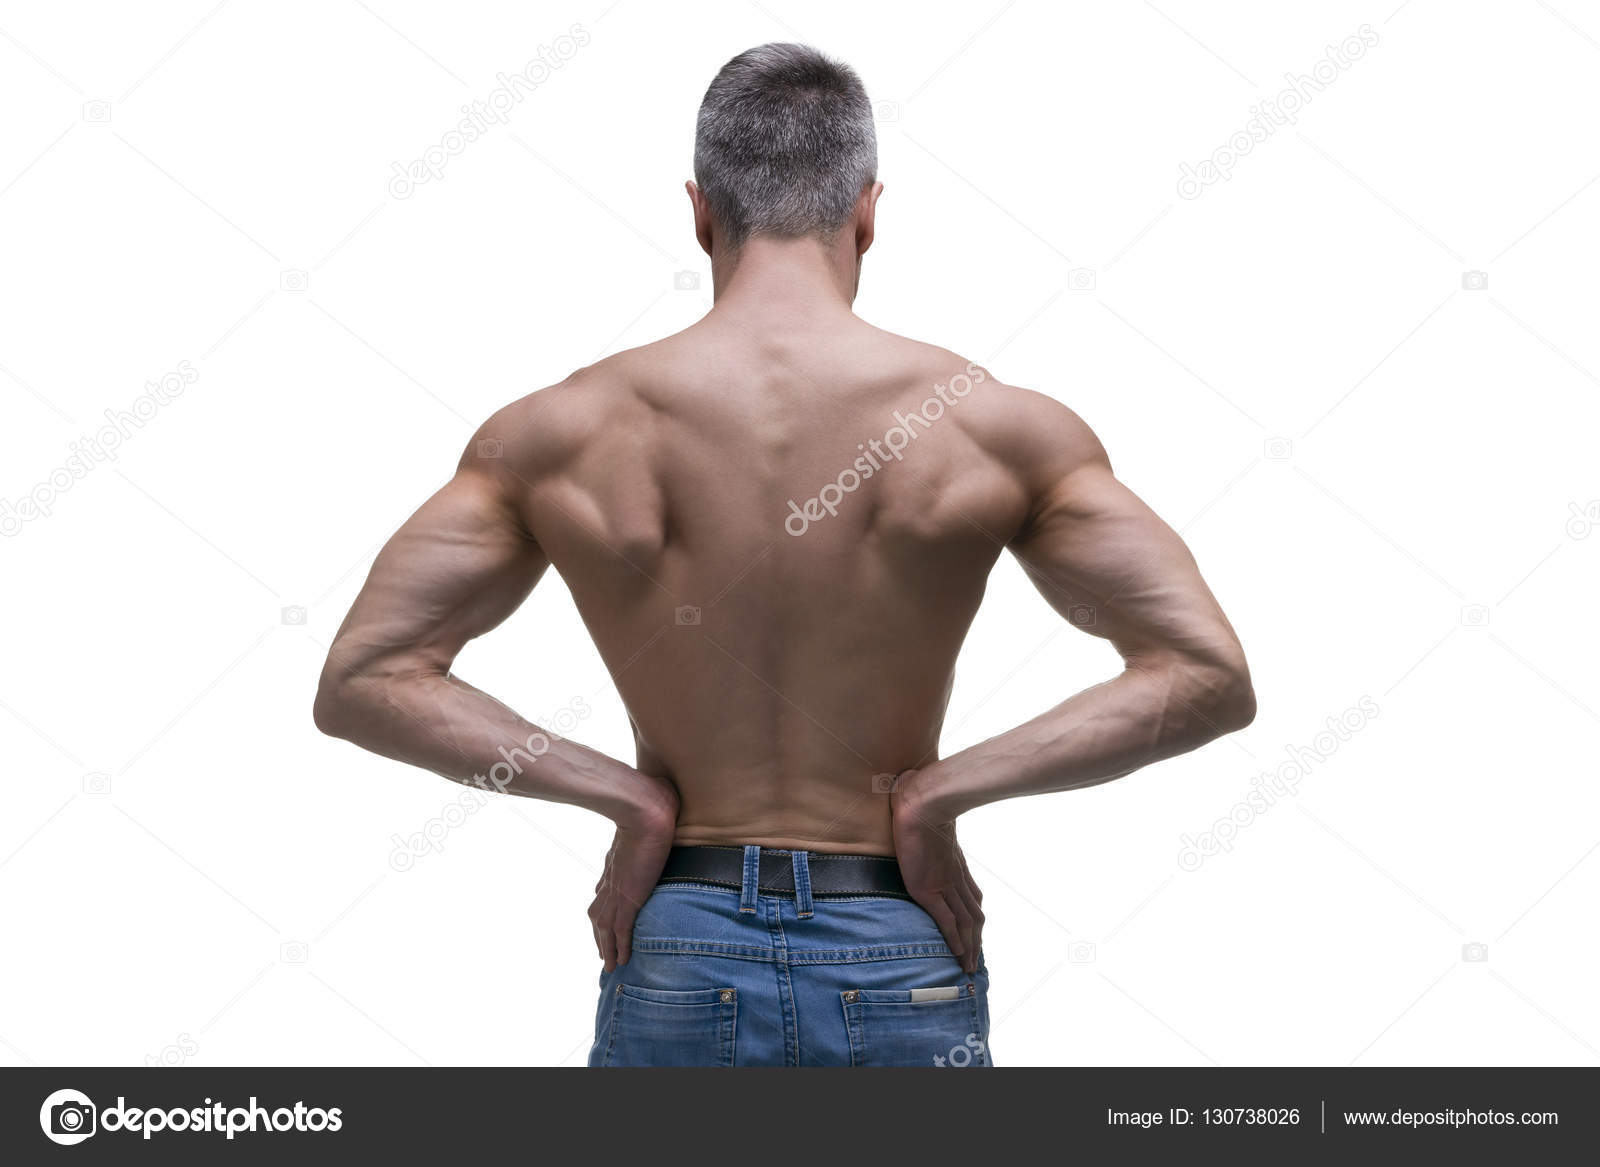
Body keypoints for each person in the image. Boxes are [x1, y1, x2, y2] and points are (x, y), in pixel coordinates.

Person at [313, 43, 1255, 1067]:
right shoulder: (991, 427)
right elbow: (1204, 673)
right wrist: (934, 795)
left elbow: (367, 678)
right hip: (895, 944)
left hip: (678, 940)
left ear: (700, 211)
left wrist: (629, 799)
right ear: (866, 209)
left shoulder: (564, 429)